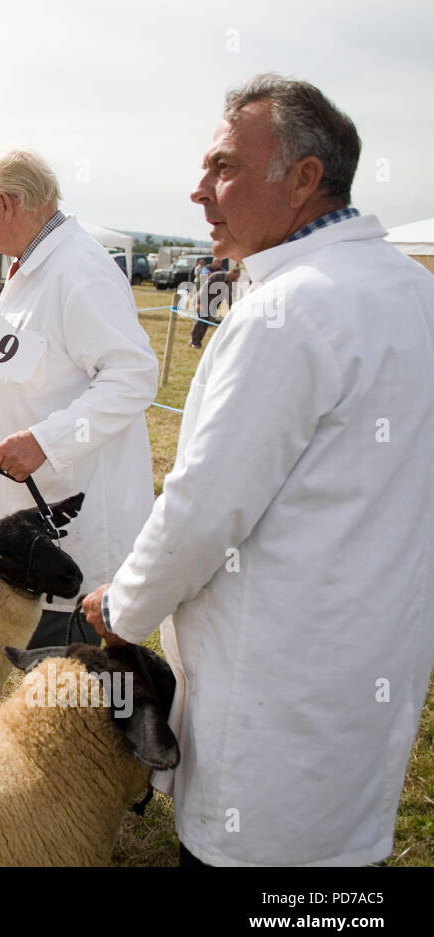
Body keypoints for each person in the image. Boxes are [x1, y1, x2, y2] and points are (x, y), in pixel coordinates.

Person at [80, 74, 434, 867]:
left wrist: (123, 607)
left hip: (279, 675)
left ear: (304, 179)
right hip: (368, 660)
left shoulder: (287, 311)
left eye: (225, 168)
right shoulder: (415, 291)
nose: (200, 190)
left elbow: (203, 510)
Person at [0, 148, 158, 647]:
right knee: (39, 656)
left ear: (8, 204)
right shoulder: (33, 265)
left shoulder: (79, 270)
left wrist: (45, 441)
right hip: (36, 495)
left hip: (74, 499)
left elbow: (132, 376)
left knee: (67, 677)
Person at [189, 262, 239, 348]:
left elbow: (229, 296)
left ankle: (198, 342)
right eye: (234, 278)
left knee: (206, 323)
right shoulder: (217, 276)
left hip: (212, 305)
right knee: (200, 321)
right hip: (203, 301)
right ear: (231, 273)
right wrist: (200, 303)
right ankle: (193, 341)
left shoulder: (229, 281)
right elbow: (204, 289)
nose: (234, 280)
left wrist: (232, 310)